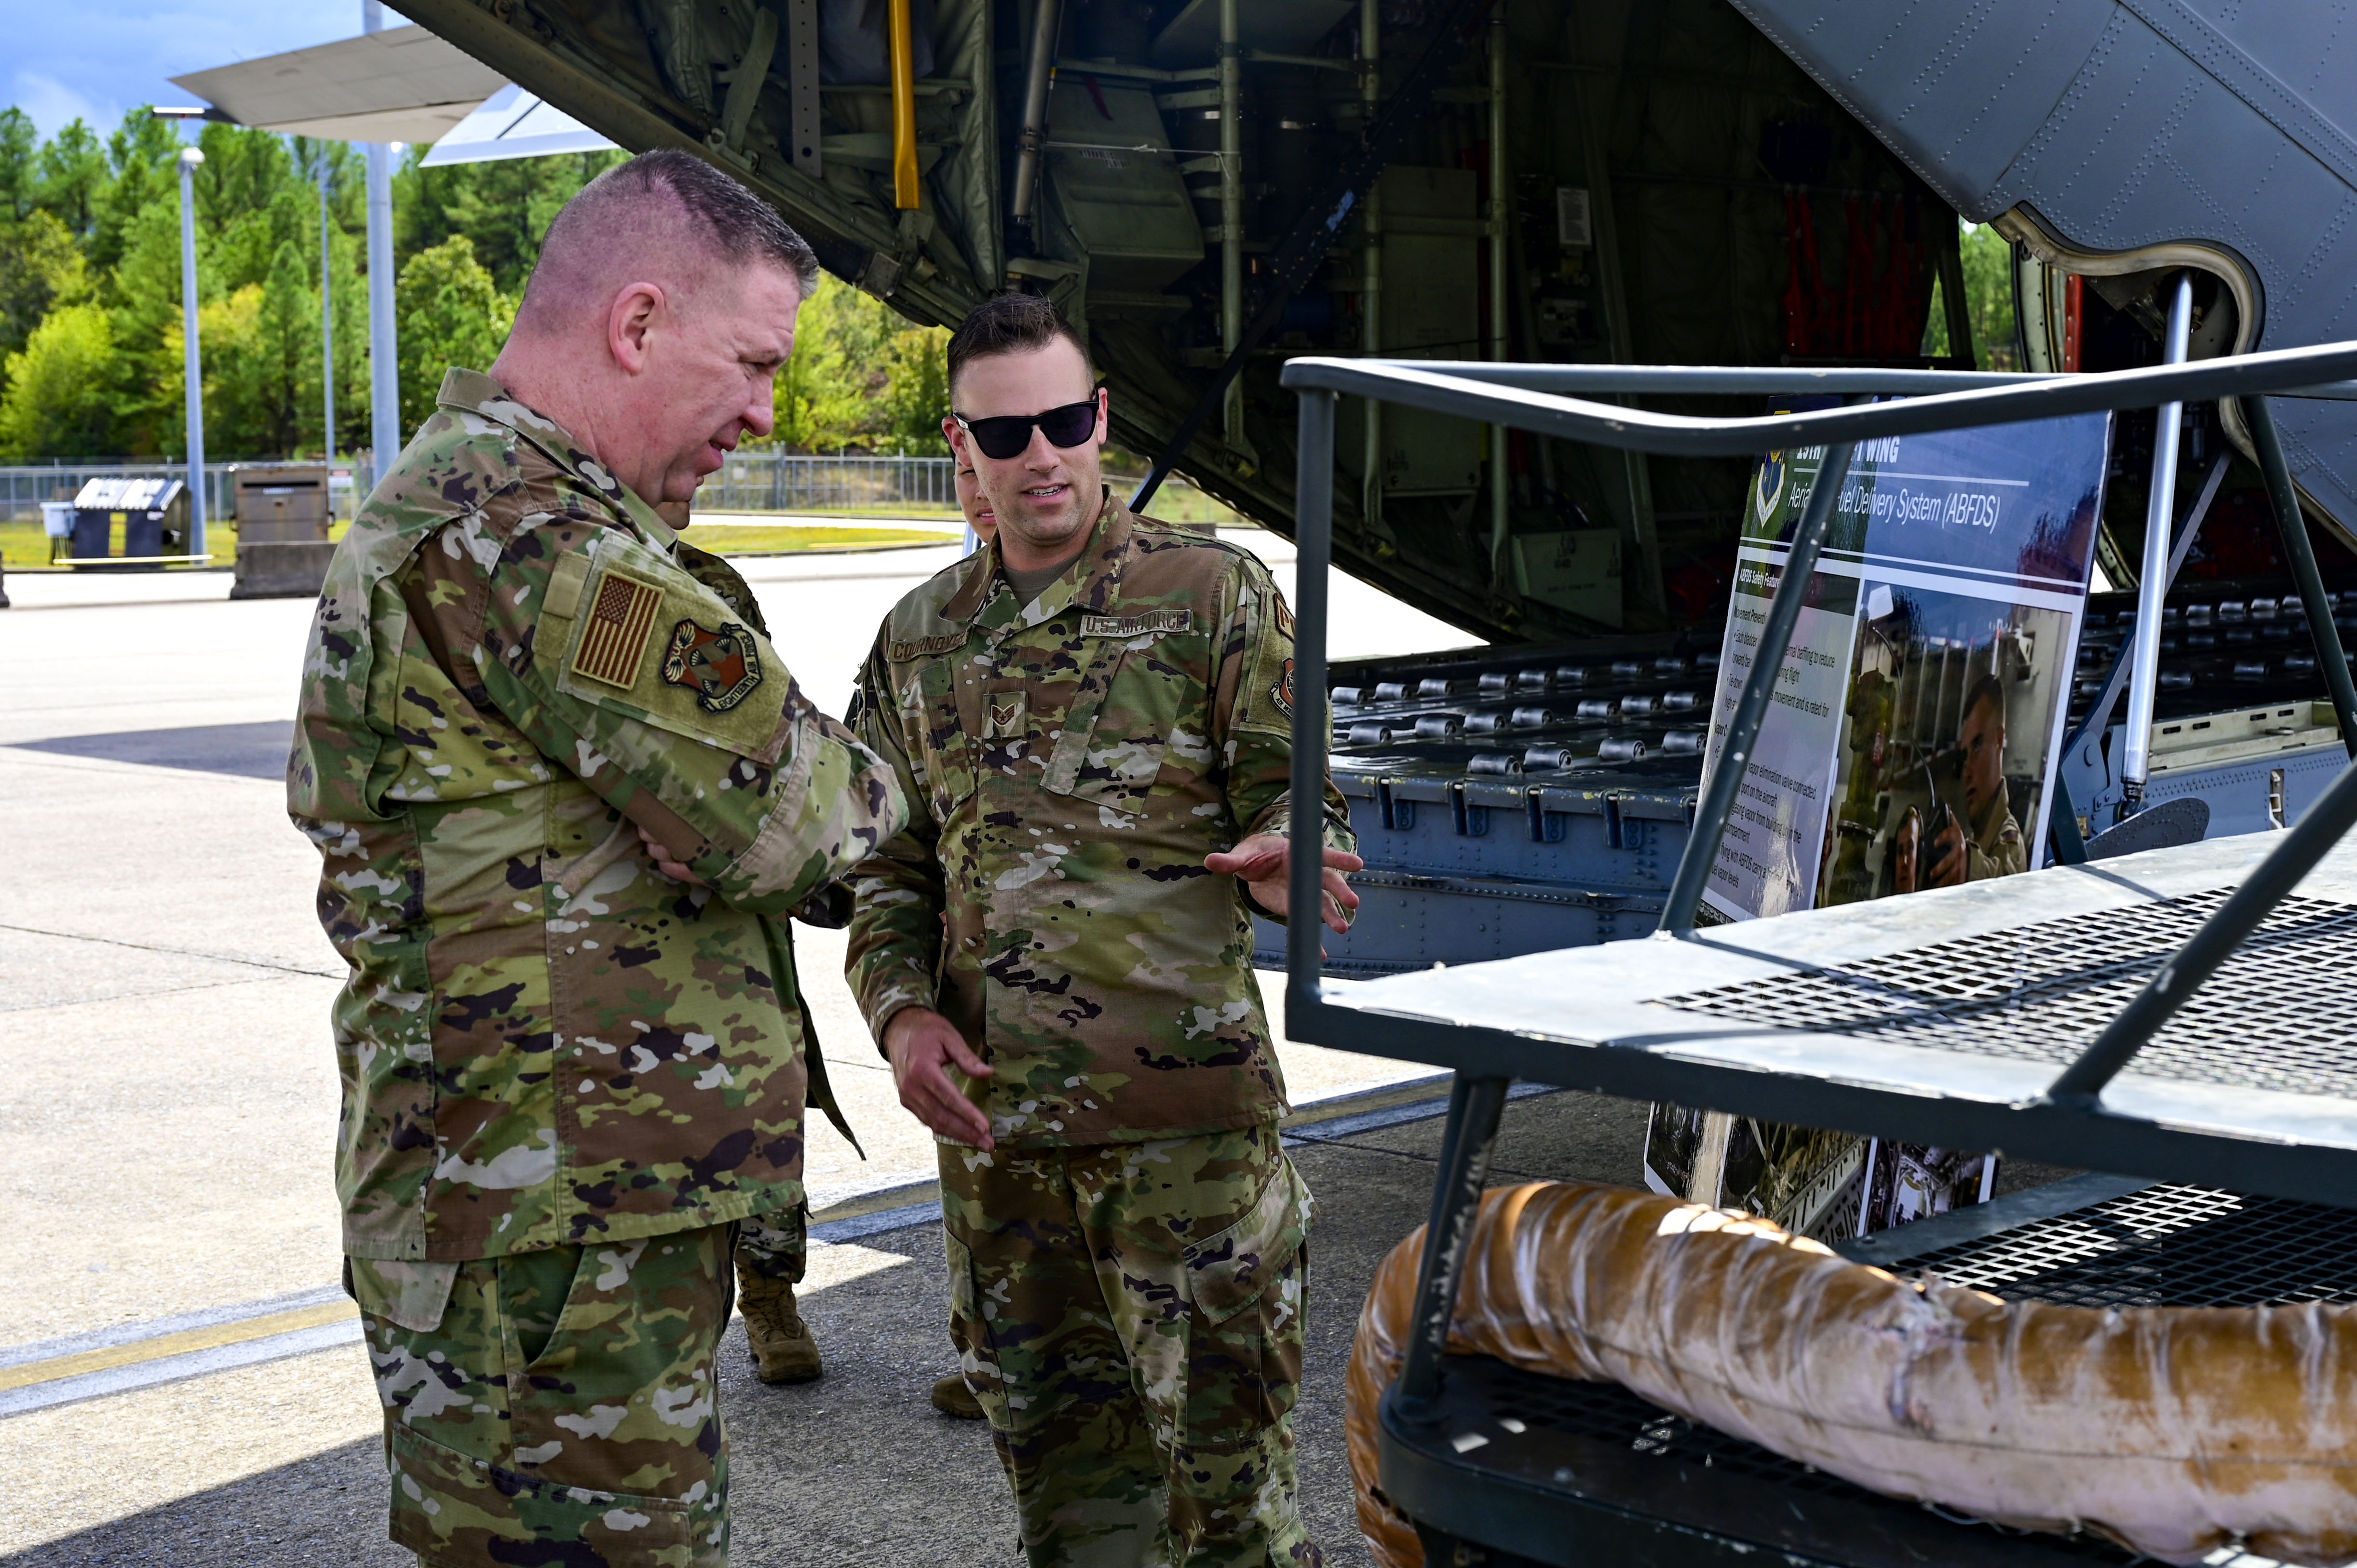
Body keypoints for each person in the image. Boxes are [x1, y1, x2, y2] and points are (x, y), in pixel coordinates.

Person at [288, 149, 907, 1568]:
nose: (764, 412)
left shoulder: (468, 509)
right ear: (636, 327)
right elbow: (807, 817)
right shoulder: (536, 541)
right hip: (555, 1254)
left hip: (527, 1220)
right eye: (750, 364)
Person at [845, 293, 1362, 1567]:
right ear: (960, 444)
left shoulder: (1210, 596)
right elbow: (886, 862)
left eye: (1065, 420)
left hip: (1190, 1158)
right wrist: (901, 1013)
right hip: (1004, 1167)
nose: (1042, 456)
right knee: (1076, 1521)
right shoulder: (920, 640)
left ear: (1103, 418)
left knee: (1237, 1524)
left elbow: (1297, 794)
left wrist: (1294, 860)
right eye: (1006, 432)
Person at [1925, 673, 2025, 886]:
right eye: (1965, 755)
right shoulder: (1975, 839)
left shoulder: (2008, 840)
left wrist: (1969, 865)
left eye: (1977, 746)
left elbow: (2008, 883)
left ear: (1999, 740)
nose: (1967, 771)